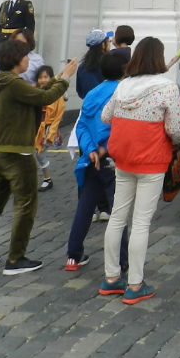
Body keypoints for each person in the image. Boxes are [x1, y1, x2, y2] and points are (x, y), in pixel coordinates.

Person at [0, 38, 75, 275]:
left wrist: (56, 79)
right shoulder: (14, 83)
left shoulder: (2, 81)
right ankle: (16, 258)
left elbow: (35, 94)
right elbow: (44, 98)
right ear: (16, 60)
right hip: (19, 153)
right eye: (25, 56)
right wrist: (65, 78)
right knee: (26, 204)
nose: (29, 59)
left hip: (1, 152)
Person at [99, 37, 180, 304]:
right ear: (159, 58)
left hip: (124, 158)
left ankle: (111, 277)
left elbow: (105, 117)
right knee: (141, 221)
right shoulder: (168, 87)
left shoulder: (124, 85)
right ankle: (135, 283)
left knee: (117, 216)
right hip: (152, 160)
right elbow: (174, 130)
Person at [65, 52, 127, 272]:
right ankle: (122, 260)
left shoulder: (92, 93)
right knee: (118, 212)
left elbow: (81, 125)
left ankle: (73, 256)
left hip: (90, 158)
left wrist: (90, 150)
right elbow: (122, 129)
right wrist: (104, 149)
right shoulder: (123, 93)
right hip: (112, 158)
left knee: (84, 207)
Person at [34, 65, 65, 191]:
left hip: (46, 129)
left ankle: (47, 179)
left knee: (39, 153)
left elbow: (58, 115)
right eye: (40, 77)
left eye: (45, 77)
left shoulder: (56, 95)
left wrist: (52, 131)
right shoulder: (35, 92)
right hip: (34, 128)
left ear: (51, 78)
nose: (43, 80)